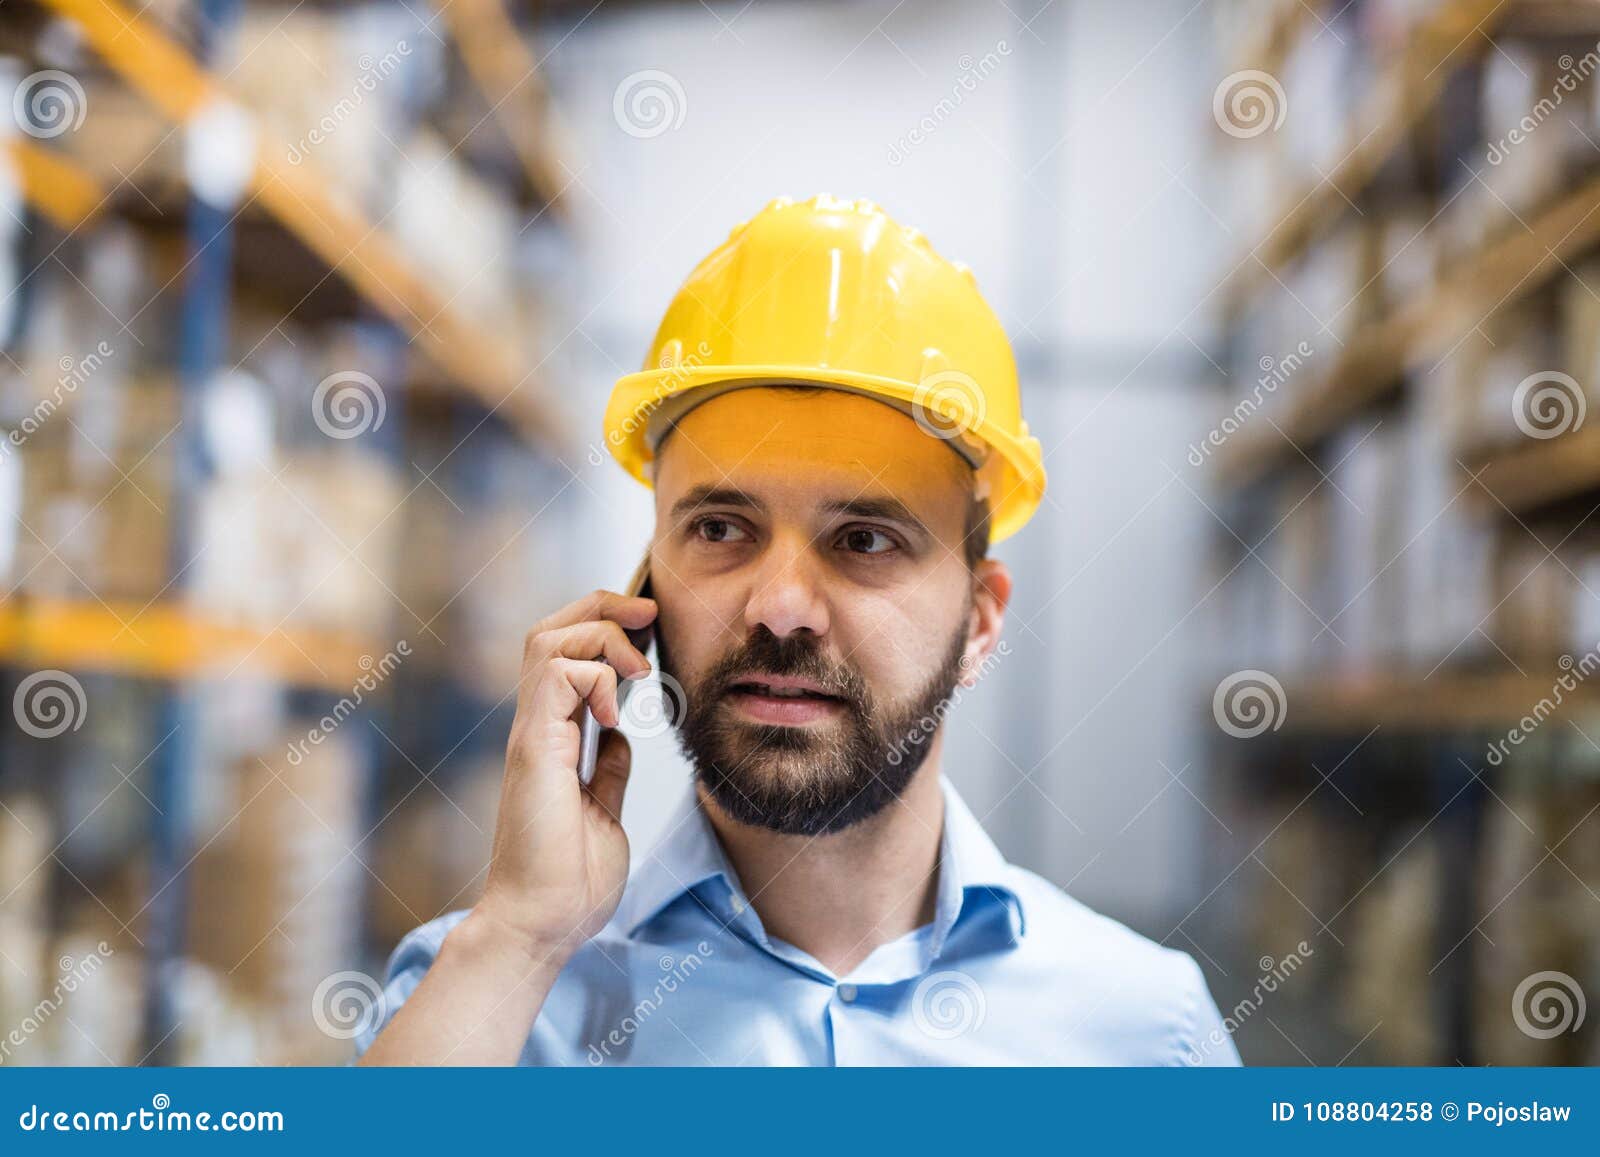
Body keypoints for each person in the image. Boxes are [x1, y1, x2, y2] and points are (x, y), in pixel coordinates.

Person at [355, 195, 1239, 1066]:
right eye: (720, 528)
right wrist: (520, 934)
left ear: (979, 621)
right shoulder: (489, 1000)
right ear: (643, 589)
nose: (780, 607)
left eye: (865, 540)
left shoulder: (1146, 1036)